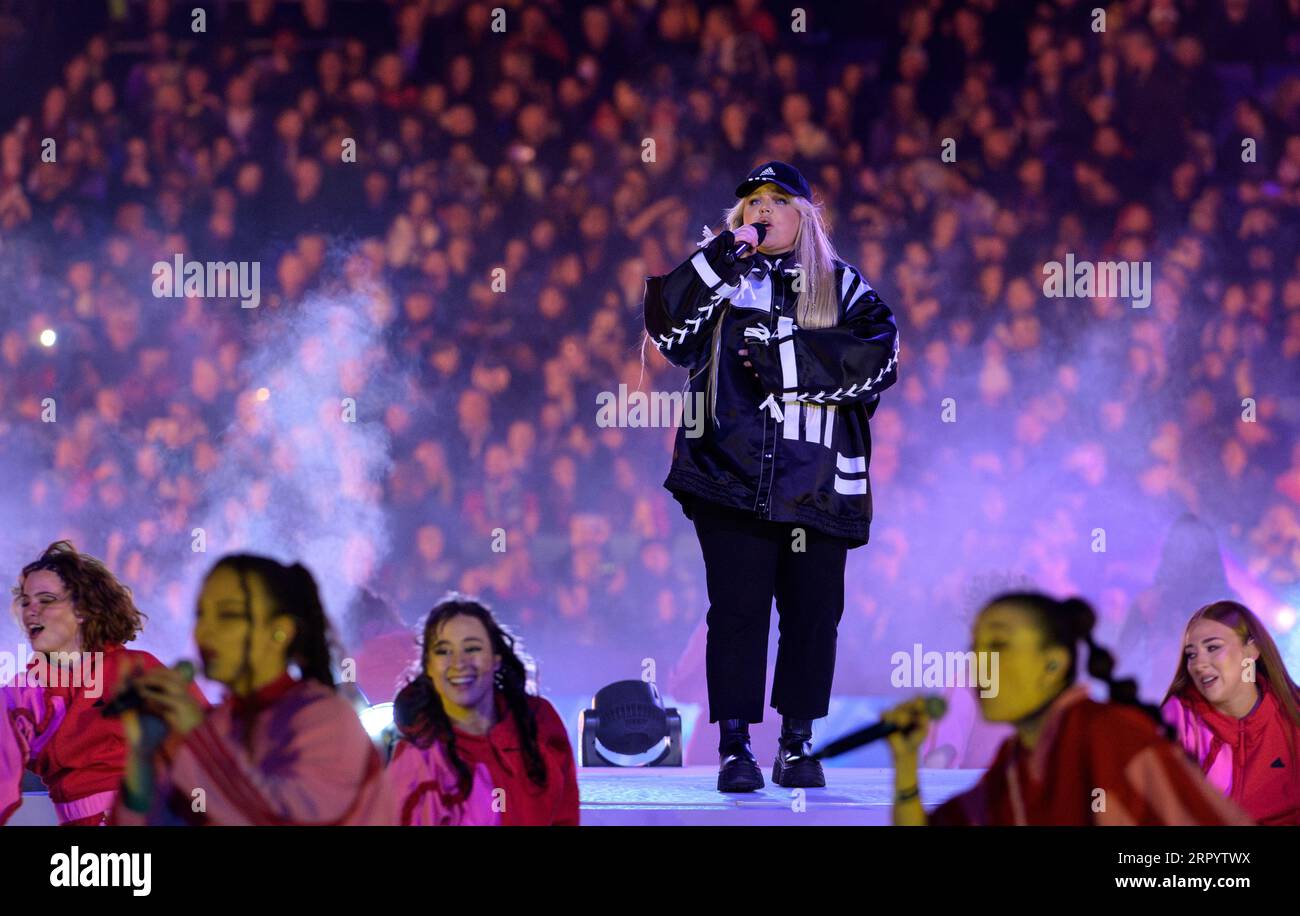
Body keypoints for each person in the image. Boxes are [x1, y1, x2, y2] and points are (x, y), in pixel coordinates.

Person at [643, 160, 900, 791]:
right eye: (751, 201)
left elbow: (881, 352)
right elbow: (666, 327)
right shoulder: (722, 281)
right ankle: (734, 745)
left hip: (815, 483)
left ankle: (796, 740)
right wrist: (717, 258)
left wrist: (781, 358)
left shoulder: (842, 285)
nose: (761, 209)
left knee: (813, 613)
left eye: (776, 200)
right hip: (729, 475)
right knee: (737, 611)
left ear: (804, 216)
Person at [884, 592, 1252, 825]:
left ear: (1053, 664)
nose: (979, 665)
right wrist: (904, 765)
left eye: (998, 648)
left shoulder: (1111, 735)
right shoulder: (1016, 761)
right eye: (975, 649)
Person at [110, 554, 394, 825]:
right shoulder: (217, 724)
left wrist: (198, 734)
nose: (204, 631)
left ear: (280, 631)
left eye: (229, 615)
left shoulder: (328, 719)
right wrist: (141, 761)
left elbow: (278, 818)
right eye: (200, 615)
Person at [0, 540, 207, 826]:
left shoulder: (137, 669)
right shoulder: (23, 695)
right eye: (25, 601)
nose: (30, 610)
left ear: (82, 610)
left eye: (46, 599)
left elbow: (211, 741)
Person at [388, 594, 578, 826]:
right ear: (428, 665)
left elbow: (566, 816)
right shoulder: (417, 760)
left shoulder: (539, 721)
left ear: (496, 658)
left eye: (472, 648)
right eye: (443, 651)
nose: (459, 662)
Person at [1160, 600, 1300, 825]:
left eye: (1213, 647)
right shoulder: (1178, 721)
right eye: (1191, 654)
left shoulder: (1294, 712)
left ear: (1252, 650)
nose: (1198, 664)